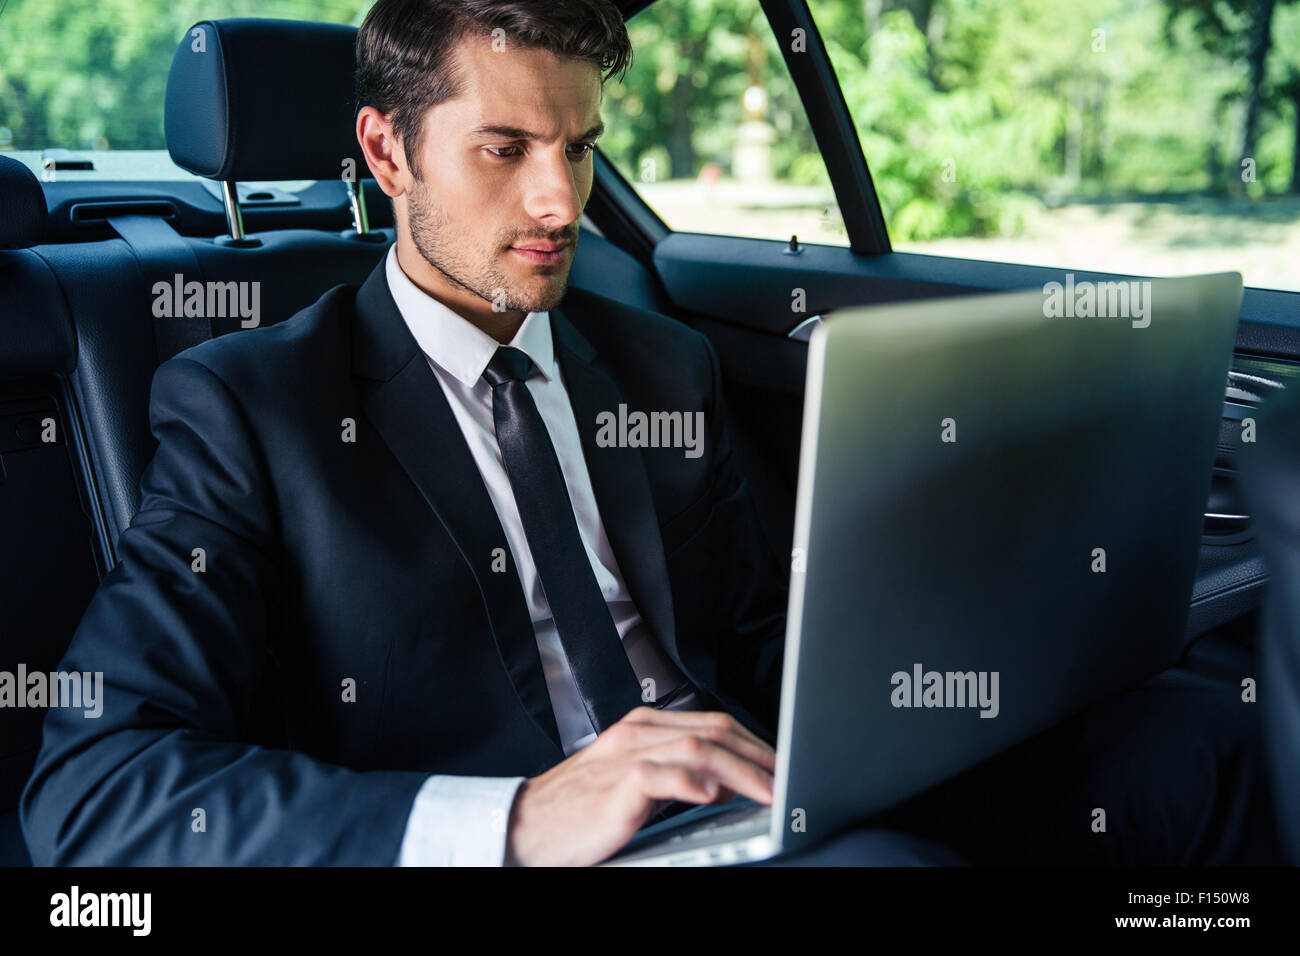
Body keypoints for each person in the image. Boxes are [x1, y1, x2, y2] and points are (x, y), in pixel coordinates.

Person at [20, 0, 1279, 867]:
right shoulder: (250, 407)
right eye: (504, 149)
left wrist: (960, 660)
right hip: (526, 836)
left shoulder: (656, 361)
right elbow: (90, 792)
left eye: (577, 147)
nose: (559, 201)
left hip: (745, 782)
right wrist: (518, 816)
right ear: (386, 149)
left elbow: (759, 642)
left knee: (1199, 740)